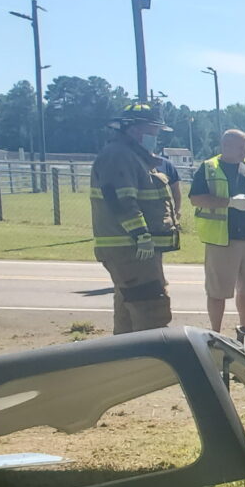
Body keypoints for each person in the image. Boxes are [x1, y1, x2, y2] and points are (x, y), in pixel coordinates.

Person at [89, 102, 179, 334]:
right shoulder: (118, 156)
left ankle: (125, 352)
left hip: (135, 250)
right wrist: (141, 235)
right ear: (135, 129)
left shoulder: (133, 156)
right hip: (130, 249)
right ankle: (151, 354)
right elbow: (121, 200)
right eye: (153, 130)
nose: (156, 136)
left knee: (129, 308)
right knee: (151, 309)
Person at [189, 129, 245, 333]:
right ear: (226, 146)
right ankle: (215, 332)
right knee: (218, 290)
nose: (244, 151)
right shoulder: (209, 168)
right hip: (222, 237)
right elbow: (196, 198)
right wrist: (229, 203)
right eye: (240, 147)